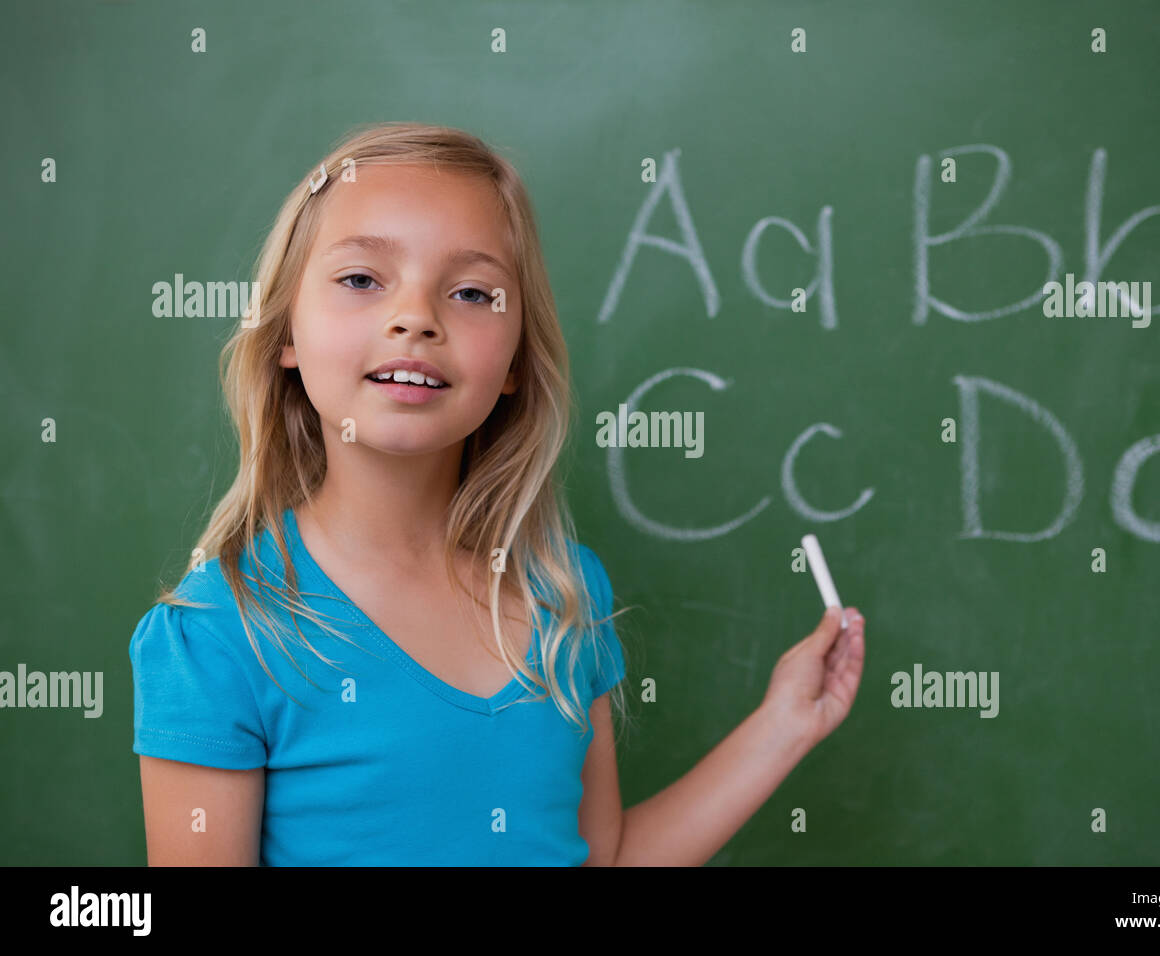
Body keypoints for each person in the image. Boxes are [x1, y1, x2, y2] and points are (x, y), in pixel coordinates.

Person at [129, 122, 865, 866]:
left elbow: (604, 858)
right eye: (361, 279)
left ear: (515, 362)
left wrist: (783, 726)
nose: (415, 317)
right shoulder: (221, 634)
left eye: (474, 292)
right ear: (286, 333)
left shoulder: (563, 594)